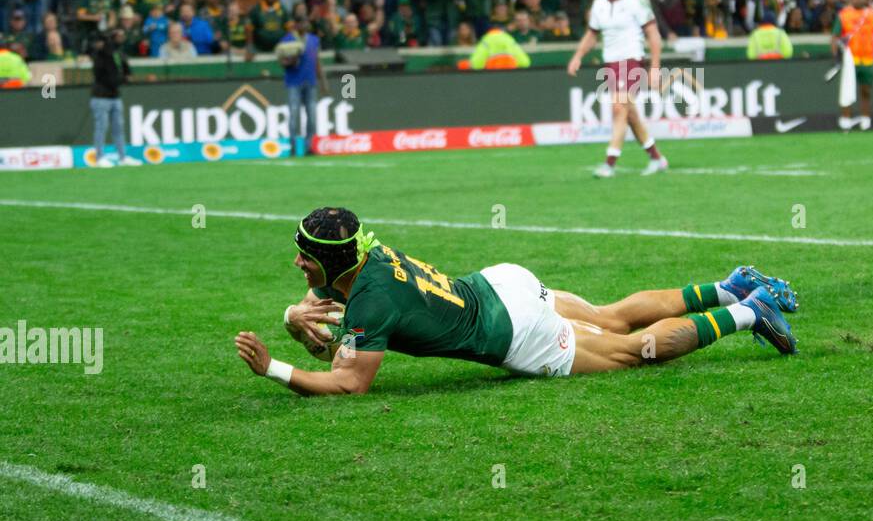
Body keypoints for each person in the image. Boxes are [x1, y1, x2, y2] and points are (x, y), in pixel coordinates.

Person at [233, 207, 799, 395]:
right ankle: (731, 285)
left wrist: (274, 368)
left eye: (306, 256)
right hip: (502, 282)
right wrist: (290, 314)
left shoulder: (371, 303)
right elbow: (320, 298)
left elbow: (350, 382)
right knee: (609, 315)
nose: (298, 265)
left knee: (630, 351)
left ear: (334, 260)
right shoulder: (366, 256)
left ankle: (750, 310)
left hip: (516, 332)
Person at [567, 0, 668, 177]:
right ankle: (656, 158)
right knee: (629, 114)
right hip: (611, 64)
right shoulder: (599, 4)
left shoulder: (635, 2)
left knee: (618, 107)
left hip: (631, 60)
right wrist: (578, 56)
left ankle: (609, 163)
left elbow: (653, 34)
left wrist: (656, 67)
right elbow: (592, 34)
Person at [831, 0, 873, 130]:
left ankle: (865, 120)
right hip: (850, 58)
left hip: (868, 58)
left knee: (866, 91)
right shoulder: (844, 15)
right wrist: (836, 57)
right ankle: (845, 120)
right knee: (847, 90)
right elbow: (834, 37)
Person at [88, 27, 141, 167]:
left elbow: (125, 69)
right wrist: (123, 78)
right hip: (101, 97)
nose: (121, 38)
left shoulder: (119, 53)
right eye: (118, 36)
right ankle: (100, 157)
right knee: (101, 128)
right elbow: (107, 75)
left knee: (119, 128)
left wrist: (124, 76)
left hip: (115, 96)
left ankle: (122, 157)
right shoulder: (101, 55)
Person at [279, 19, 326, 158]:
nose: (304, 25)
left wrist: (323, 81)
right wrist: (290, 61)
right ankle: (292, 146)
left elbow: (317, 60)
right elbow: (281, 59)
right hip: (294, 82)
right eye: (300, 22)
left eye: (305, 22)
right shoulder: (288, 39)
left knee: (312, 116)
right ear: (296, 24)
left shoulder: (314, 40)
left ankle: (309, 146)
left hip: (310, 81)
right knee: (294, 115)